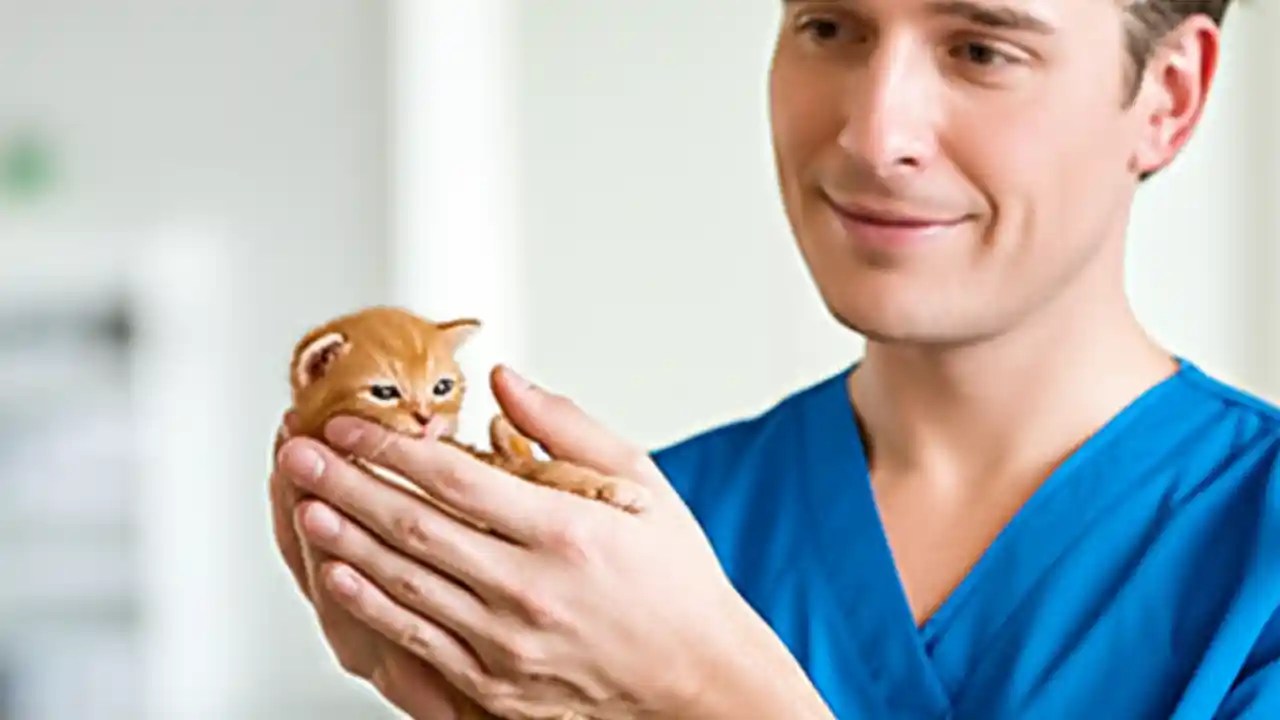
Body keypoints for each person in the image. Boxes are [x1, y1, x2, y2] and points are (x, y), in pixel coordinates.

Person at [270, 0, 1279, 717]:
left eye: (979, 48)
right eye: (828, 28)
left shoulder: (1255, 547)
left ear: (1166, 98)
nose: (870, 132)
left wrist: (706, 695)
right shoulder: (606, 550)